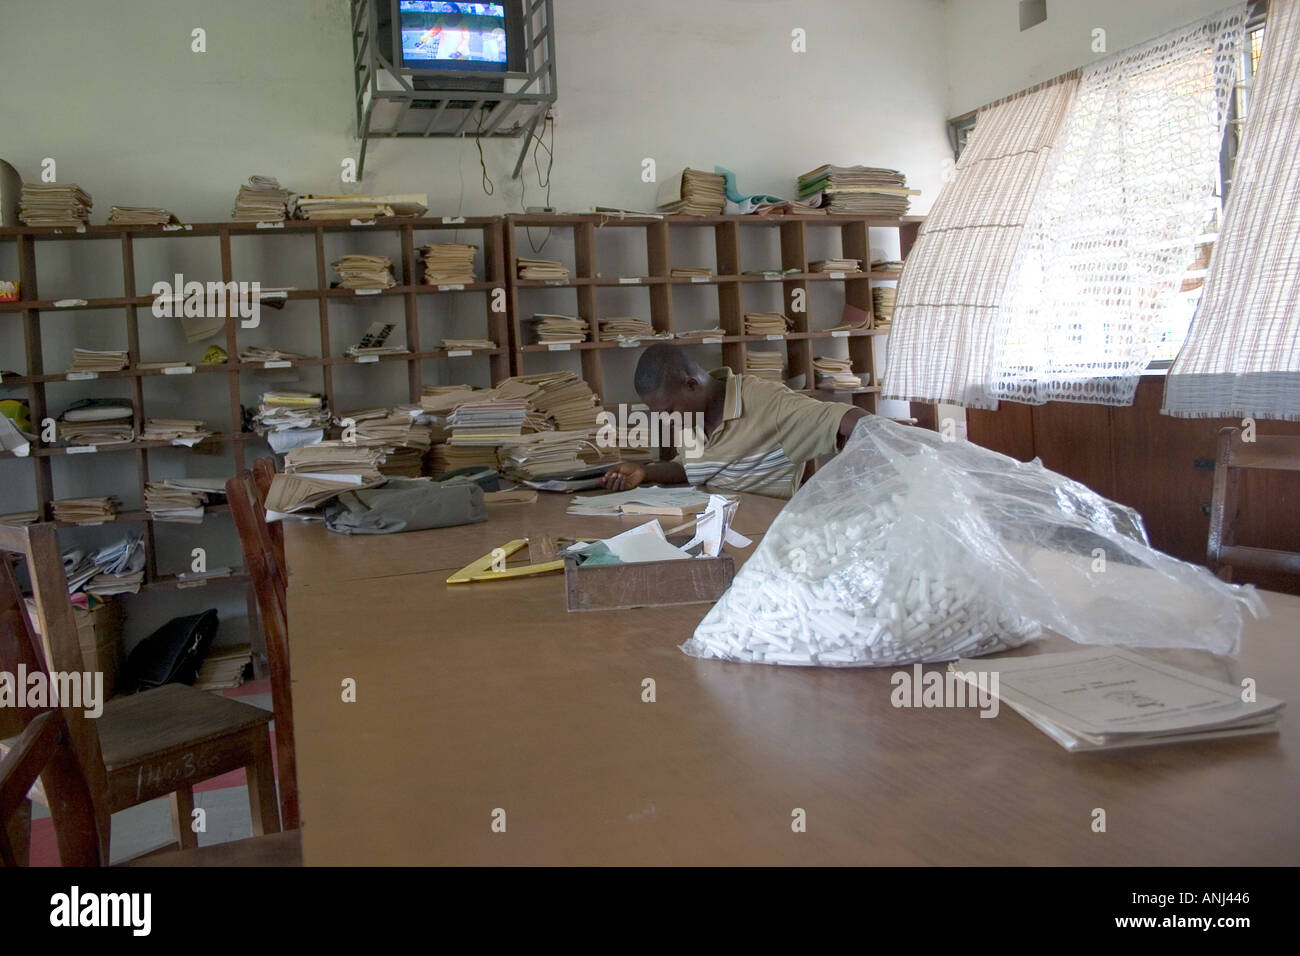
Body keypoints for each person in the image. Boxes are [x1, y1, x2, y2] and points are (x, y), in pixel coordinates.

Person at [601, 345, 867, 498]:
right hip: (716, 530)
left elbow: (853, 420)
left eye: (667, 410)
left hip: (763, 538)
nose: (665, 421)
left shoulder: (768, 403)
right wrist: (645, 472)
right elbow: (693, 468)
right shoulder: (687, 419)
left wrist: (894, 468)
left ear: (692, 385)